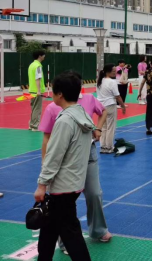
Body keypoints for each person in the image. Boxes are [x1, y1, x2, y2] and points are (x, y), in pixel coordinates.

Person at [39, 80, 112, 249]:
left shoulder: (86, 102)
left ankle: (98, 230)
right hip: (66, 160)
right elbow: (47, 139)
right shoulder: (53, 109)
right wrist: (45, 165)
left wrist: (98, 129)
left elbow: (103, 111)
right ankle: (65, 242)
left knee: (94, 193)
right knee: (65, 201)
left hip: (88, 154)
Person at [34, 72, 95, 261]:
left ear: (60, 94)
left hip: (62, 187)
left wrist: (42, 184)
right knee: (49, 228)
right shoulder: (82, 115)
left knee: (70, 232)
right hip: (74, 182)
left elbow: (54, 156)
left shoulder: (65, 121)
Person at [96, 64, 126, 153]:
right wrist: (123, 106)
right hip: (110, 105)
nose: (115, 72)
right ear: (108, 72)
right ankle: (109, 147)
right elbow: (117, 96)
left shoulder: (99, 81)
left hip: (100, 106)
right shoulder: (112, 82)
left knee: (103, 127)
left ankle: (103, 147)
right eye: (113, 71)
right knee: (110, 127)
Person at [28, 49, 46, 131]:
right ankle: (34, 126)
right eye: (43, 55)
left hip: (32, 90)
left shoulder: (31, 65)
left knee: (34, 108)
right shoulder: (38, 66)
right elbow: (37, 78)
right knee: (37, 109)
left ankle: (31, 125)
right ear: (40, 56)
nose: (44, 56)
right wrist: (38, 91)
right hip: (36, 91)